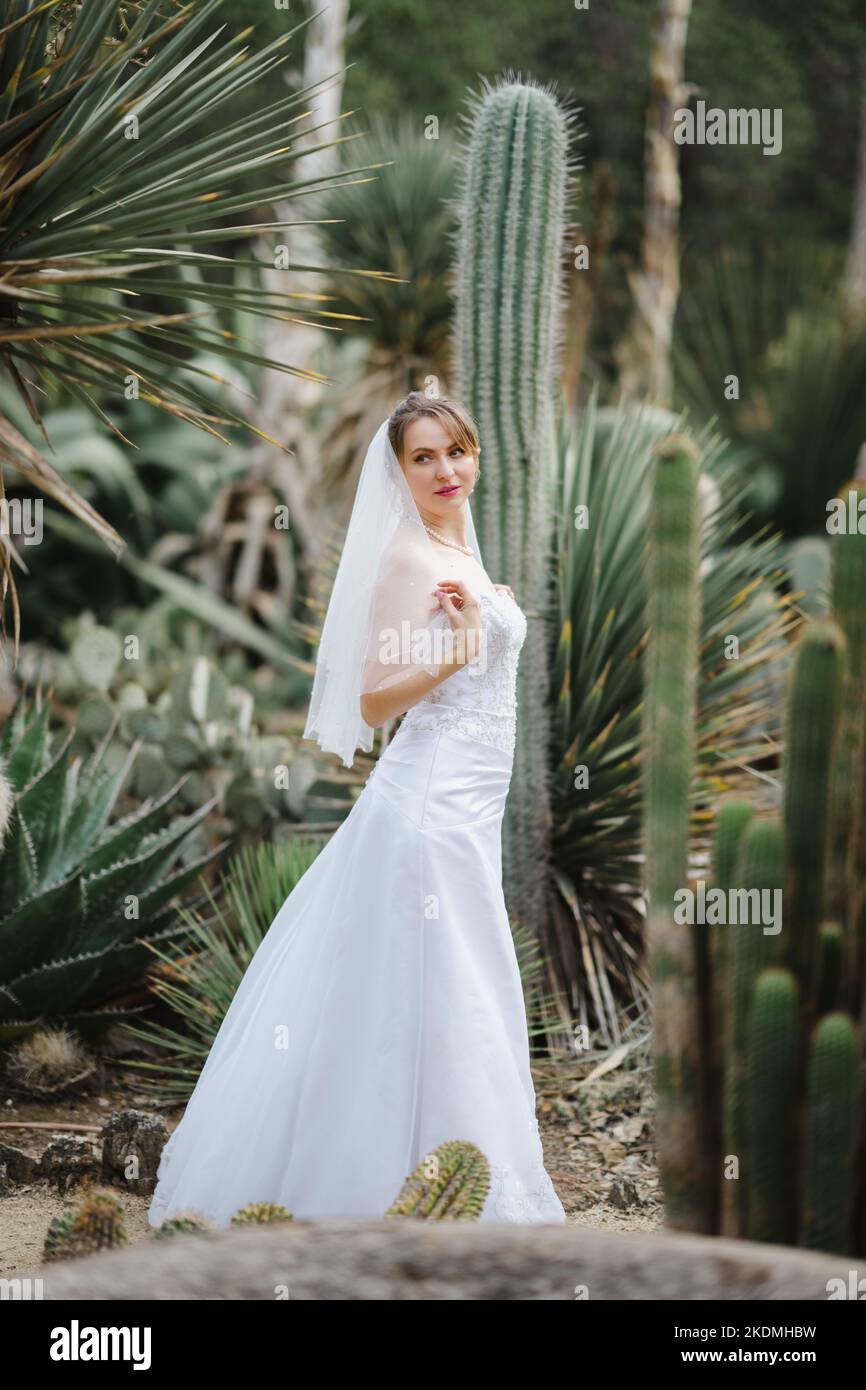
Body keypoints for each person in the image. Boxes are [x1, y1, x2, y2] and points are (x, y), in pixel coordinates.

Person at [147, 392, 566, 1228]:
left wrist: (486, 613)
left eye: (458, 450)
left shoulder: (457, 548)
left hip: (465, 809)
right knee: (452, 991)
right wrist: (453, 652)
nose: (448, 470)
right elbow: (374, 702)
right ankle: (401, 1198)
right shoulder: (408, 557)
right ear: (399, 471)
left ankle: (437, 1183)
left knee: (437, 995)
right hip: (428, 812)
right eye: (425, 458)